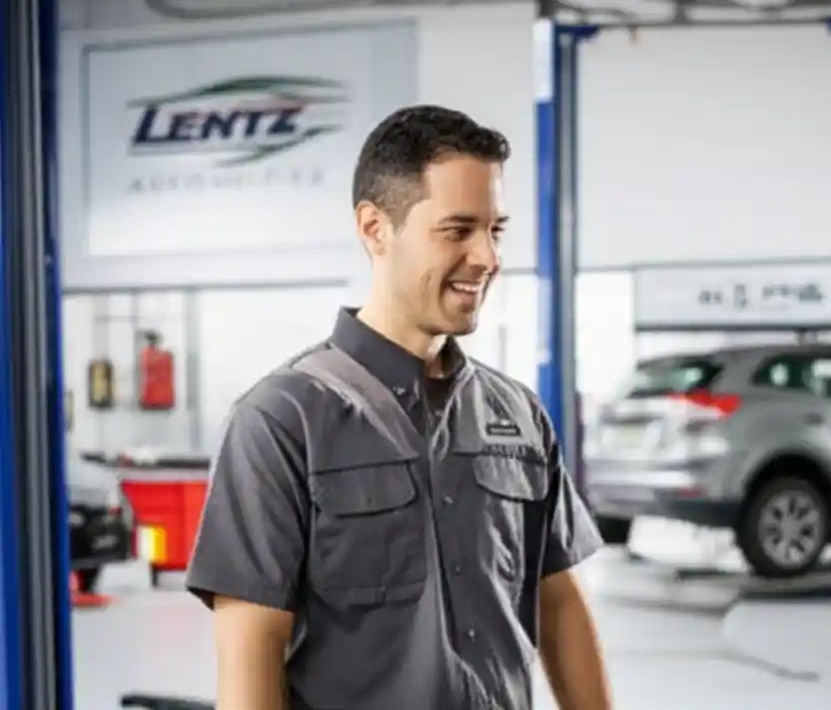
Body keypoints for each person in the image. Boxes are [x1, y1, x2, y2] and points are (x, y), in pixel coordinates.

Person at [186, 105, 612, 710]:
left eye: (496, 230)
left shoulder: (517, 415)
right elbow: (251, 655)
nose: (488, 257)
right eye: (458, 230)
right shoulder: (282, 421)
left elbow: (559, 602)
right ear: (374, 228)